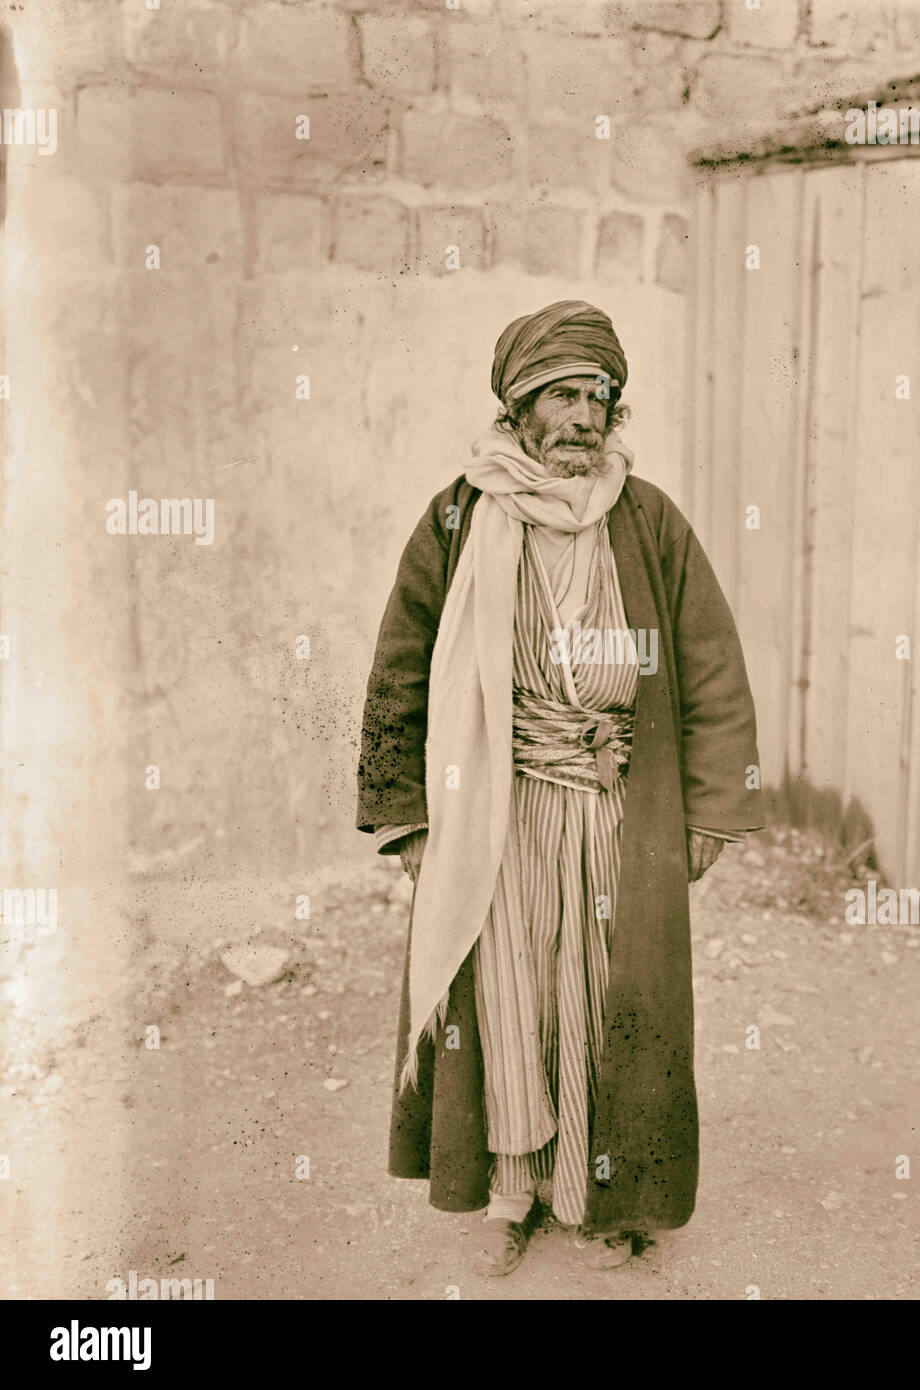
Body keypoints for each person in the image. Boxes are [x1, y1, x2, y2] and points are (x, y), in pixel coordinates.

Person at [356, 299, 763, 1274]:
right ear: (519, 407)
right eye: (562, 396)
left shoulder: (647, 519)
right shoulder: (460, 516)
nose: (584, 417)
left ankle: (602, 1191)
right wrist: (406, 812)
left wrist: (710, 806)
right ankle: (510, 1193)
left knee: (611, 1002)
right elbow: (402, 665)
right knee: (508, 995)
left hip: (621, 808)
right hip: (494, 807)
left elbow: (711, 667)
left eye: (599, 398)